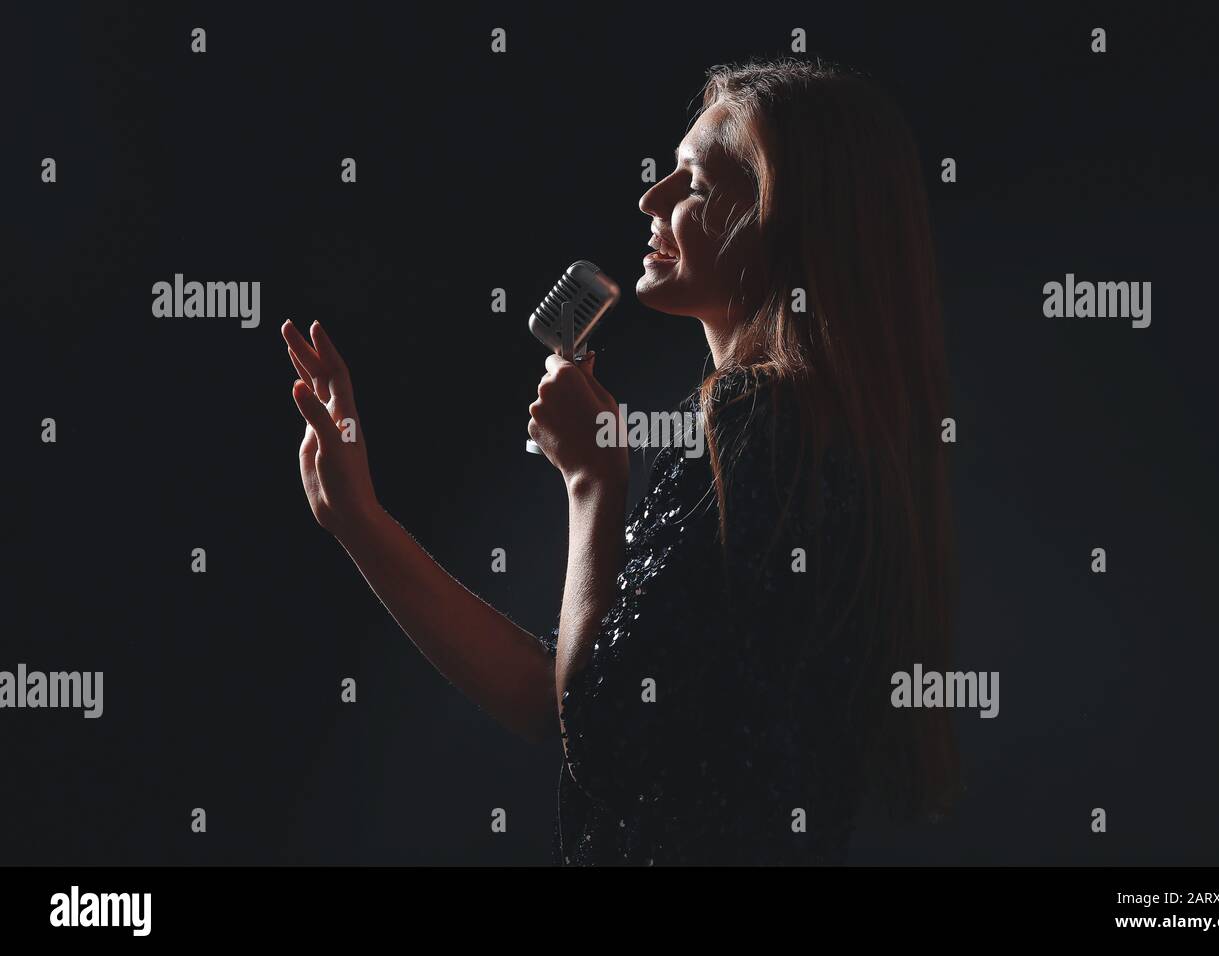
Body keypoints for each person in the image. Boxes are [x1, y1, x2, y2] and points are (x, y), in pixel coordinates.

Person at [282, 55, 960, 865]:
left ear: (784, 222)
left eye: (695, 186)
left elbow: (600, 731)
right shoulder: (821, 433)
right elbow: (557, 704)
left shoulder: (761, 424)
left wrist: (591, 484)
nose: (652, 201)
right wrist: (360, 520)